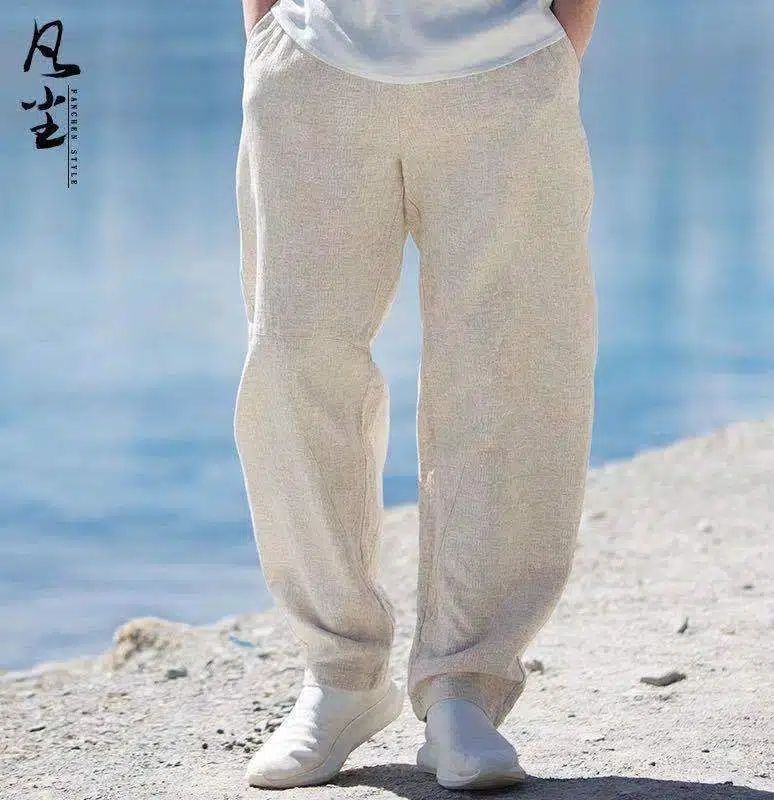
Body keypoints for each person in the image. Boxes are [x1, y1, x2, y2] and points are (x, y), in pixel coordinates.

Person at [234, 0, 600, 789]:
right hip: (315, 62)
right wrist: (267, 33)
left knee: (509, 376)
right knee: (293, 363)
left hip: (506, 66)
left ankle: (465, 686)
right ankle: (340, 673)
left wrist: (556, 47)